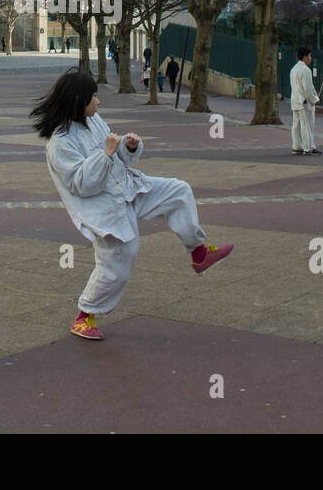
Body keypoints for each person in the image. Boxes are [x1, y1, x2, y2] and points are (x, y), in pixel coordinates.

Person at [32, 69, 233, 340]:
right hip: (103, 206)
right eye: (94, 97)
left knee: (178, 191)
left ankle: (199, 253)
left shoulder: (93, 121)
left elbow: (116, 157)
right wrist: (106, 154)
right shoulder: (60, 142)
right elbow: (81, 184)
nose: (98, 102)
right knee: (120, 257)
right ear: (79, 100)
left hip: (128, 188)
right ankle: (85, 315)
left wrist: (128, 147)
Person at [289, 47, 321, 156]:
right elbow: (308, 88)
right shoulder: (306, 70)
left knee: (296, 125)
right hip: (304, 101)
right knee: (307, 125)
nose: (310, 58)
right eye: (310, 56)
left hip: (295, 101)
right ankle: (309, 147)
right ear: (305, 56)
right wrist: (314, 99)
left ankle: (297, 146)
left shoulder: (293, 69)